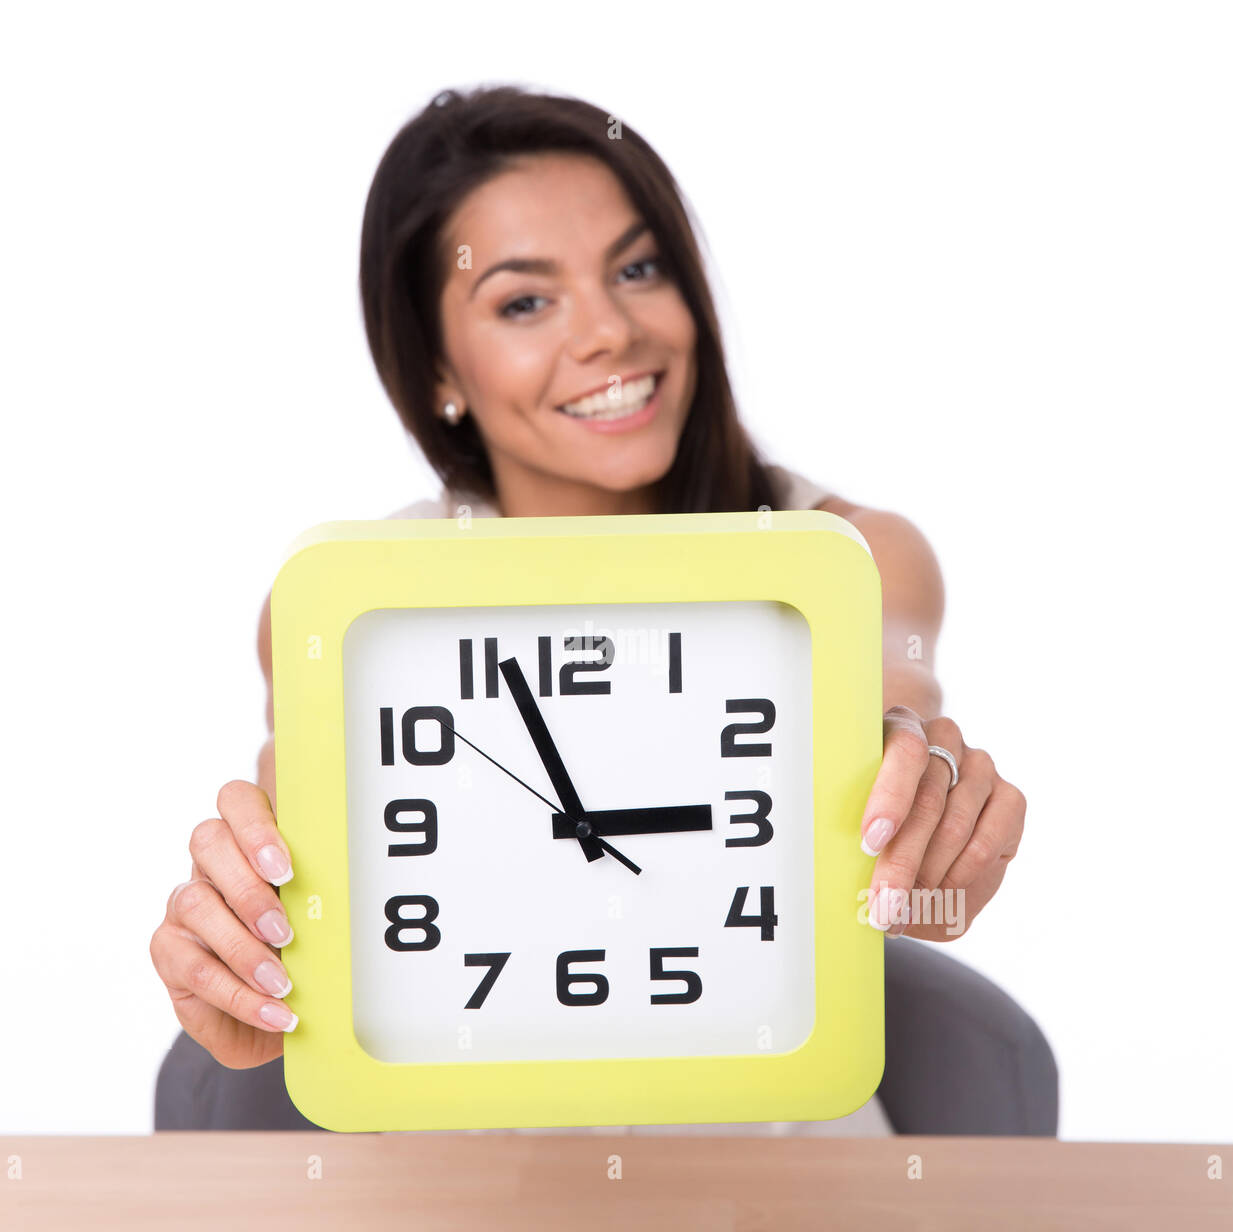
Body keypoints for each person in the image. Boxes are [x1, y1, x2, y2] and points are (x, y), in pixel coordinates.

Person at [150, 86, 1027, 1136]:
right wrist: (242, 931)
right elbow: (300, 859)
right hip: (450, 1159)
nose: (611, 330)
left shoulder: (850, 556)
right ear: (438, 371)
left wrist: (923, 815)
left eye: (637, 267)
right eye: (525, 301)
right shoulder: (351, 606)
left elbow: (893, 714)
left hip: (773, 1156)